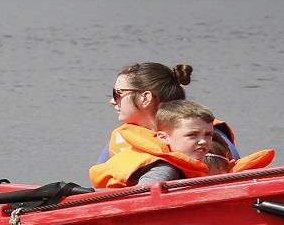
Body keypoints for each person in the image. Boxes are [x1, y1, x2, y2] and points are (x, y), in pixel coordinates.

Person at [89, 100, 273, 188]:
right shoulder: (163, 170)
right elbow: (138, 202)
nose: (203, 141)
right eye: (192, 135)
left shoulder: (208, 162)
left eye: (208, 135)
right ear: (163, 138)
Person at [102, 61, 240, 165]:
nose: (112, 101)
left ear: (145, 98)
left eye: (117, 94)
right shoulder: (123, 138)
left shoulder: (206, 133)